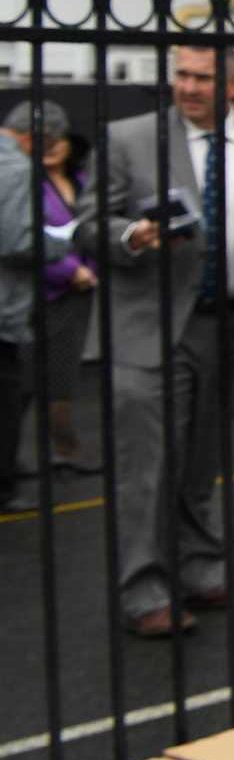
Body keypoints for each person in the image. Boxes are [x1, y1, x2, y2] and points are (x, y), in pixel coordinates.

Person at [91, 45, 234, 638]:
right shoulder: (128, 138)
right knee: (148, 465)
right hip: (153, 325)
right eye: (182, 76)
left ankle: (199, 571)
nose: (189, 88)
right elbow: (89, 225)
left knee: (202, 460)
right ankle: (145, 593)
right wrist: (134, 237)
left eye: (203, 78)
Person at [2, 100, 100, 485]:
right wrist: (66, 255)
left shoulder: (73, 179)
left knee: (33, 379)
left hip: (50, 293)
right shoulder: (16, 170)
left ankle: (15, 460)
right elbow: (18, 240)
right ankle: (13, 471)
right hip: (33, 294)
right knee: (23, 380)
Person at [0, 113, 39, 516]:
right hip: (5, 307)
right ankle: (3, 487)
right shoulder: (15, 167)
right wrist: (62, 242)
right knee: (7, 399)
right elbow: (17, 240)